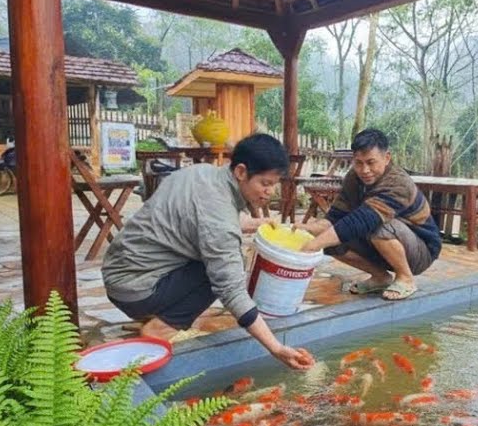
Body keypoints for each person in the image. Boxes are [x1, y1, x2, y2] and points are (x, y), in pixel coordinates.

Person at [103, 133, 315, 371]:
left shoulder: (203, 173)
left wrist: (261, 224)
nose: (270, 192)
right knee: (217, 275)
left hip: (118, 273)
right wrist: (276, 348)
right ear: (241, 172)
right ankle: (158, 330)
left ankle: (153, 316)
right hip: (136, 290)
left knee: (217, 262)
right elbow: (231, 291)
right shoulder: (220, 222)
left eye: (274, 184)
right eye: (265, 183)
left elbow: (208, 219)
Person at [300, 128, 441, 300]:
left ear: (386, 158)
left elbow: (363, 220)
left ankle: (406, 277)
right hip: (384, 244)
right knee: (329, 243)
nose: (364, 170)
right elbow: (334, 219)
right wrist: (304, 230)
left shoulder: (398, 183)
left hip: (421, 251)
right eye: (358, 163)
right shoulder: (354, 178)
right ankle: (381, 277)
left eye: (371, 162)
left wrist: (312, 246)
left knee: (377, 226)